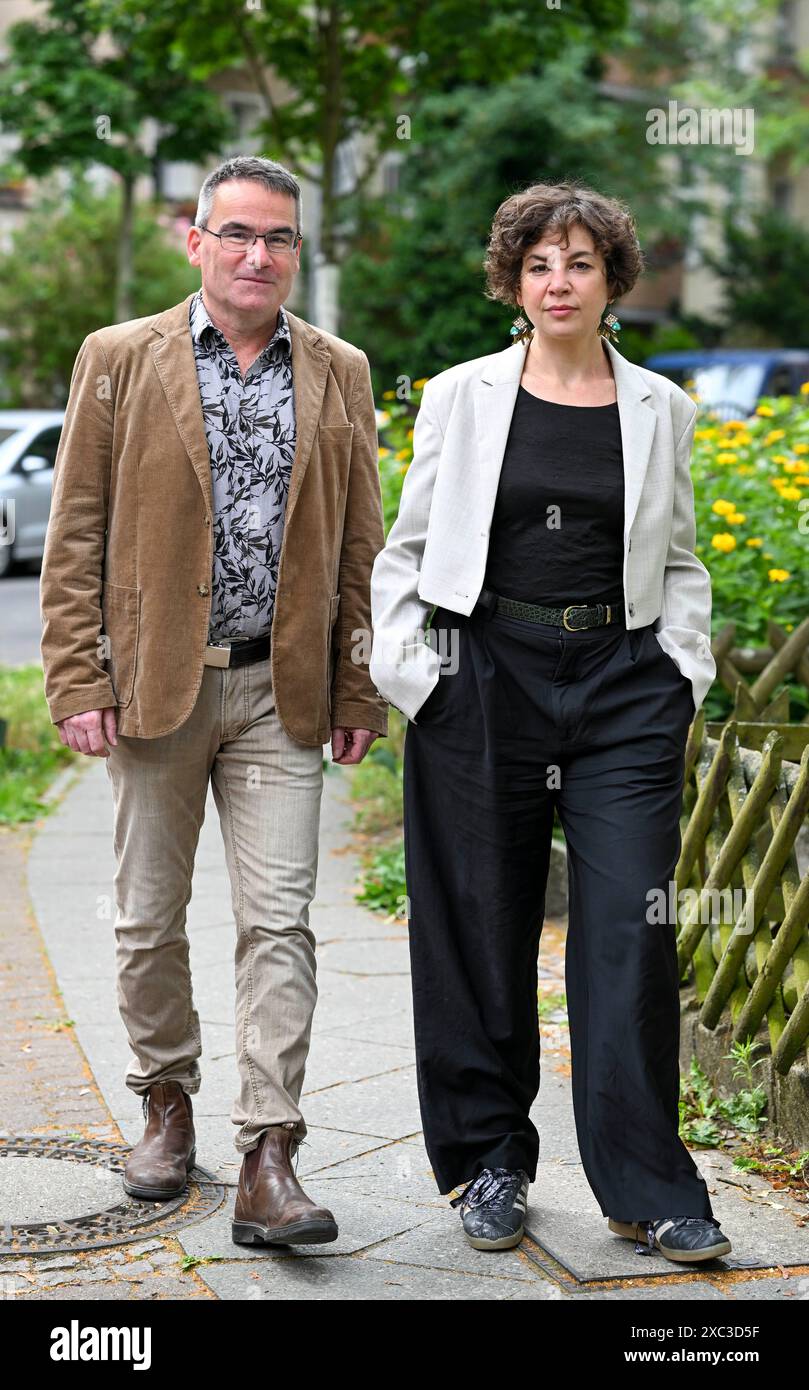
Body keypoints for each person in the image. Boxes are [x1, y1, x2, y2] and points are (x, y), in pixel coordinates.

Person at [369, 180, 732, 1265]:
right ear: (512, 281)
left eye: (577, 262)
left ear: (611, 278)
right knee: (477, 924)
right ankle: (487, 1161)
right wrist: (411, 674)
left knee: (628, 930)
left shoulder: (658, 406)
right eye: (536, 263)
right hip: (483, 672)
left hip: (620, 679)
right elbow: (409, 545)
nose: (556, 281)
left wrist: (680, 667)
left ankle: (648, 1186)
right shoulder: (462, 395)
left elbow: (673, 560)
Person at [39, 154, 387, 1248]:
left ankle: (269, 1150)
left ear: (298, 252)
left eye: (278, 238)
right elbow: (76, 535)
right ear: (195, 242)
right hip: (155, 686)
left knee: (279, 920)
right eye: (236, 233)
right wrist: (76, 675)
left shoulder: (339, 369)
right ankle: (164, 1102)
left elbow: (362, 544)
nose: (257, 255)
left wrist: (357, 679)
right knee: (145, 920)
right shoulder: (118, 358)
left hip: (278, 693)